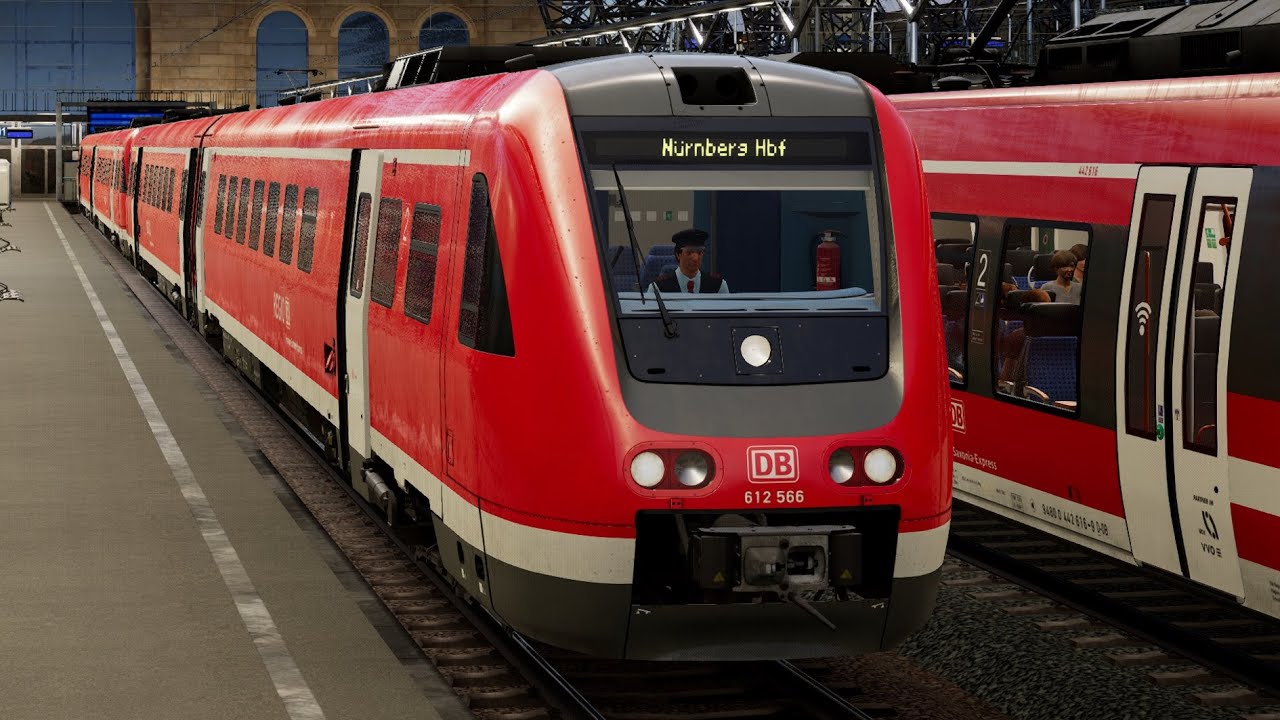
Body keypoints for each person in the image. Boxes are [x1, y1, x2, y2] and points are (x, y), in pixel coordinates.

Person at [649, 228, 729, 294]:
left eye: (699, 252)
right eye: (689, 252)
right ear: (678, 254)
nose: (695, 258)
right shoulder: (658, 288)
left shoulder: (718, 286)